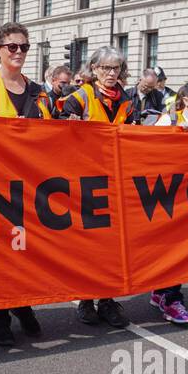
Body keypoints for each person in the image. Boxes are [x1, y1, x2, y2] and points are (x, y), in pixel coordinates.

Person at [0, 22, 52, 346]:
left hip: (29, 183)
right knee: (0, 252)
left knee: (26, 250)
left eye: (24, 47)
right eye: (12, 47)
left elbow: (51, 135)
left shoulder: (38, 90)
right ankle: (2, 314)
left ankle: (22, 302)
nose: (18, 52)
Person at [57, 46, 131, 328]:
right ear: (94, 69)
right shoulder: (79, 97)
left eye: (116, 68)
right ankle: (87, 301)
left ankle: (108, 300)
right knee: (89, 246)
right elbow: (57, 132)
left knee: (113, 246)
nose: (111, 73)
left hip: (115, 179)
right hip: (85, 182)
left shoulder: (127, 99)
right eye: (105, 68)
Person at [146, 80, 188, 325]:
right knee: (172, 248)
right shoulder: (169, 122)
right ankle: (171, 300)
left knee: (183, 248)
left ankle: (161, 291)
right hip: (167, 197)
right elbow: (146, 153)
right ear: (185, 100)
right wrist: (175, 139)